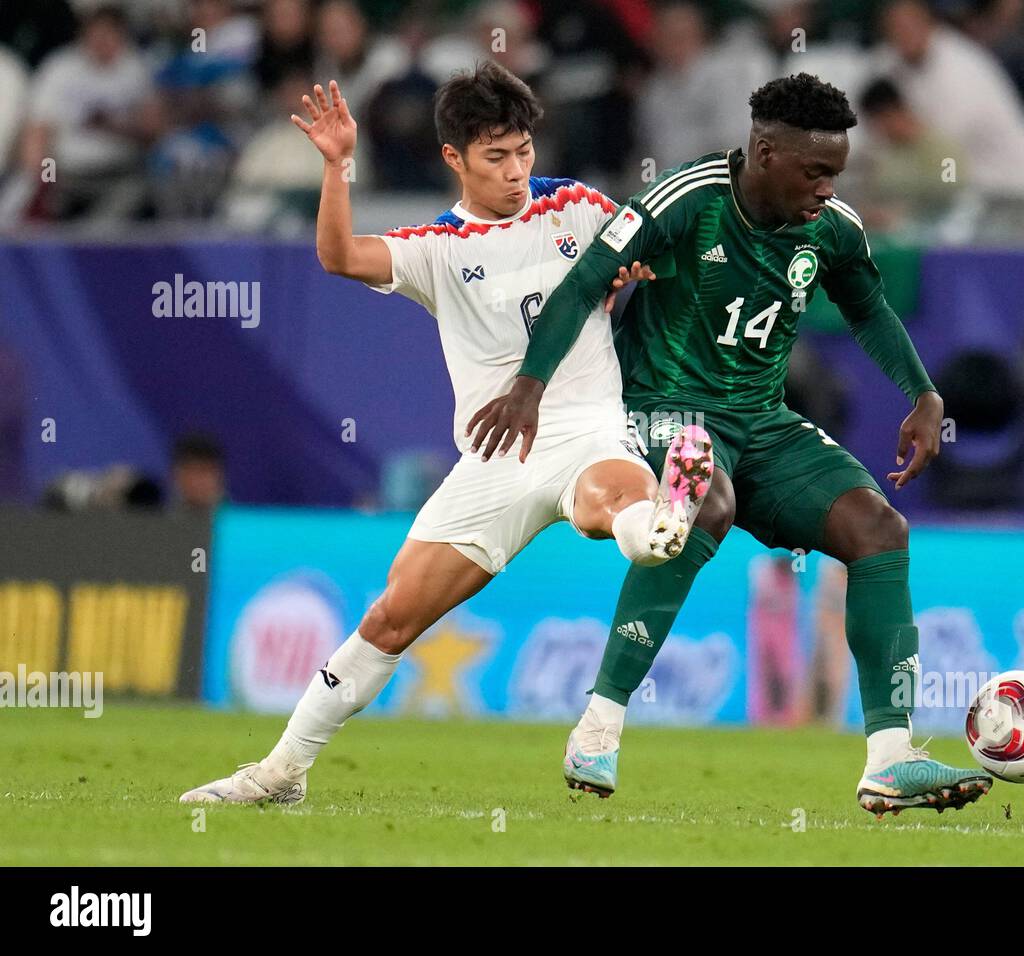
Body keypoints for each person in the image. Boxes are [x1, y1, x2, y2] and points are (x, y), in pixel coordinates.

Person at [179, 62, 713, 806]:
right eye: (496, 156)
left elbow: (658, 249)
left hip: (586, 426)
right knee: (390, 618)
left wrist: (650, 268)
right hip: (493, 460)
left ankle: (660, 524)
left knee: (608, 502)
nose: (518, 170)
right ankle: (280, 774)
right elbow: (338, 257)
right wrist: (338, 165)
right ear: (453, 159)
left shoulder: (581, 208)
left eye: (524, 150)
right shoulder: (437, 248)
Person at [467, 73, 993, 817]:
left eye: (836, 173)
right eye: (815, 172)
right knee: (701, 497)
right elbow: (586, 281)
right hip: (662, 407)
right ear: (764, 152)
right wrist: (529, 384)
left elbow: (867, 304)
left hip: (762, 421)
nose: (826, 188)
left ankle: (889, 757)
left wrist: (923, 393)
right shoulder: (688, 200)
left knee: (880, 529)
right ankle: (598, 725)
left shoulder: (832, 227)